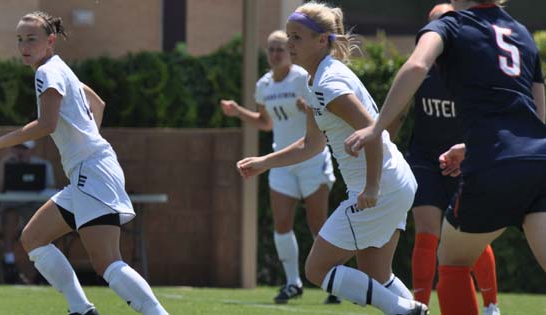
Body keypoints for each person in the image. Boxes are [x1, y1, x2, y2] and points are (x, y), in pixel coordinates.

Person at [344, 1, 546, 314]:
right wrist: (470, 147)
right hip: (539, 160)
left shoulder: (450, 25)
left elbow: (415, 67)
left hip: (493, 163)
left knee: (453, 262)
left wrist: (376, 127)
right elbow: (537, 115)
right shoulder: (521, 33)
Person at [0, 11, 168, 315]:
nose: (24, 45)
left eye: (31, 39)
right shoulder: (62, 68)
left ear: (50, 41)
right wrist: (88, 148)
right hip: (88, 172)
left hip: (92, 171)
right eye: (20, 39)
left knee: (107, 262)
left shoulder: (46, 73)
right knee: (33, 238)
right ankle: (81, 309)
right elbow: (97, 103)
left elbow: (46, 125)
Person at [237, 2, 427, 314]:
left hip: (381, 187)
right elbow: (311, 145)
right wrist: (264, 162)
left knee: (316, 270)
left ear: (322, 40)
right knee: (377, 275)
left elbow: (373, 132)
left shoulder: (328, 83)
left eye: (297, 37)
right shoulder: (315, 82)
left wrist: (371, 187)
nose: (289, 45)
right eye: (289, 37)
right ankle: (410, 309)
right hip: (395, 183)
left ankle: (405, 311)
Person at [380, 3, 500, 314]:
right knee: (427, 229)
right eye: (433, 26)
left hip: (465, 160)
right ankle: (420, 305)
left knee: (468, 234)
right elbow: (399, 112)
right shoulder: (418, 70)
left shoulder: (473, 71)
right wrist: (380, 146)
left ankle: (491, 305)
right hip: (425, 159)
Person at [219, 30, 339, 305]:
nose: (275, 54)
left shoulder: (303, 78)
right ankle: (292, 282)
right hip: (282, 162)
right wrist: (238, 111)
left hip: (311, 159)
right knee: (281, 223)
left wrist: (306, 106)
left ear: (290, 51)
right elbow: (266, 123)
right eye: (271, 49)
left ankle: (334, 281)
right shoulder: (264, 85)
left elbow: (324, 112)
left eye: (281, 49)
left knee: (317, 223)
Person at [0, 140, 56, 284]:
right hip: (10, 209)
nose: (20, 152)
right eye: (17, 148)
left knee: (49, 221)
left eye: (24, 149)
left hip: (35, 210)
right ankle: (9, 261)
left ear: (32, 150)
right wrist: (3, 165)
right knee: (10, 215)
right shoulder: (2, 165)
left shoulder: (43, 165)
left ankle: (43, 270)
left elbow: (50, 192)